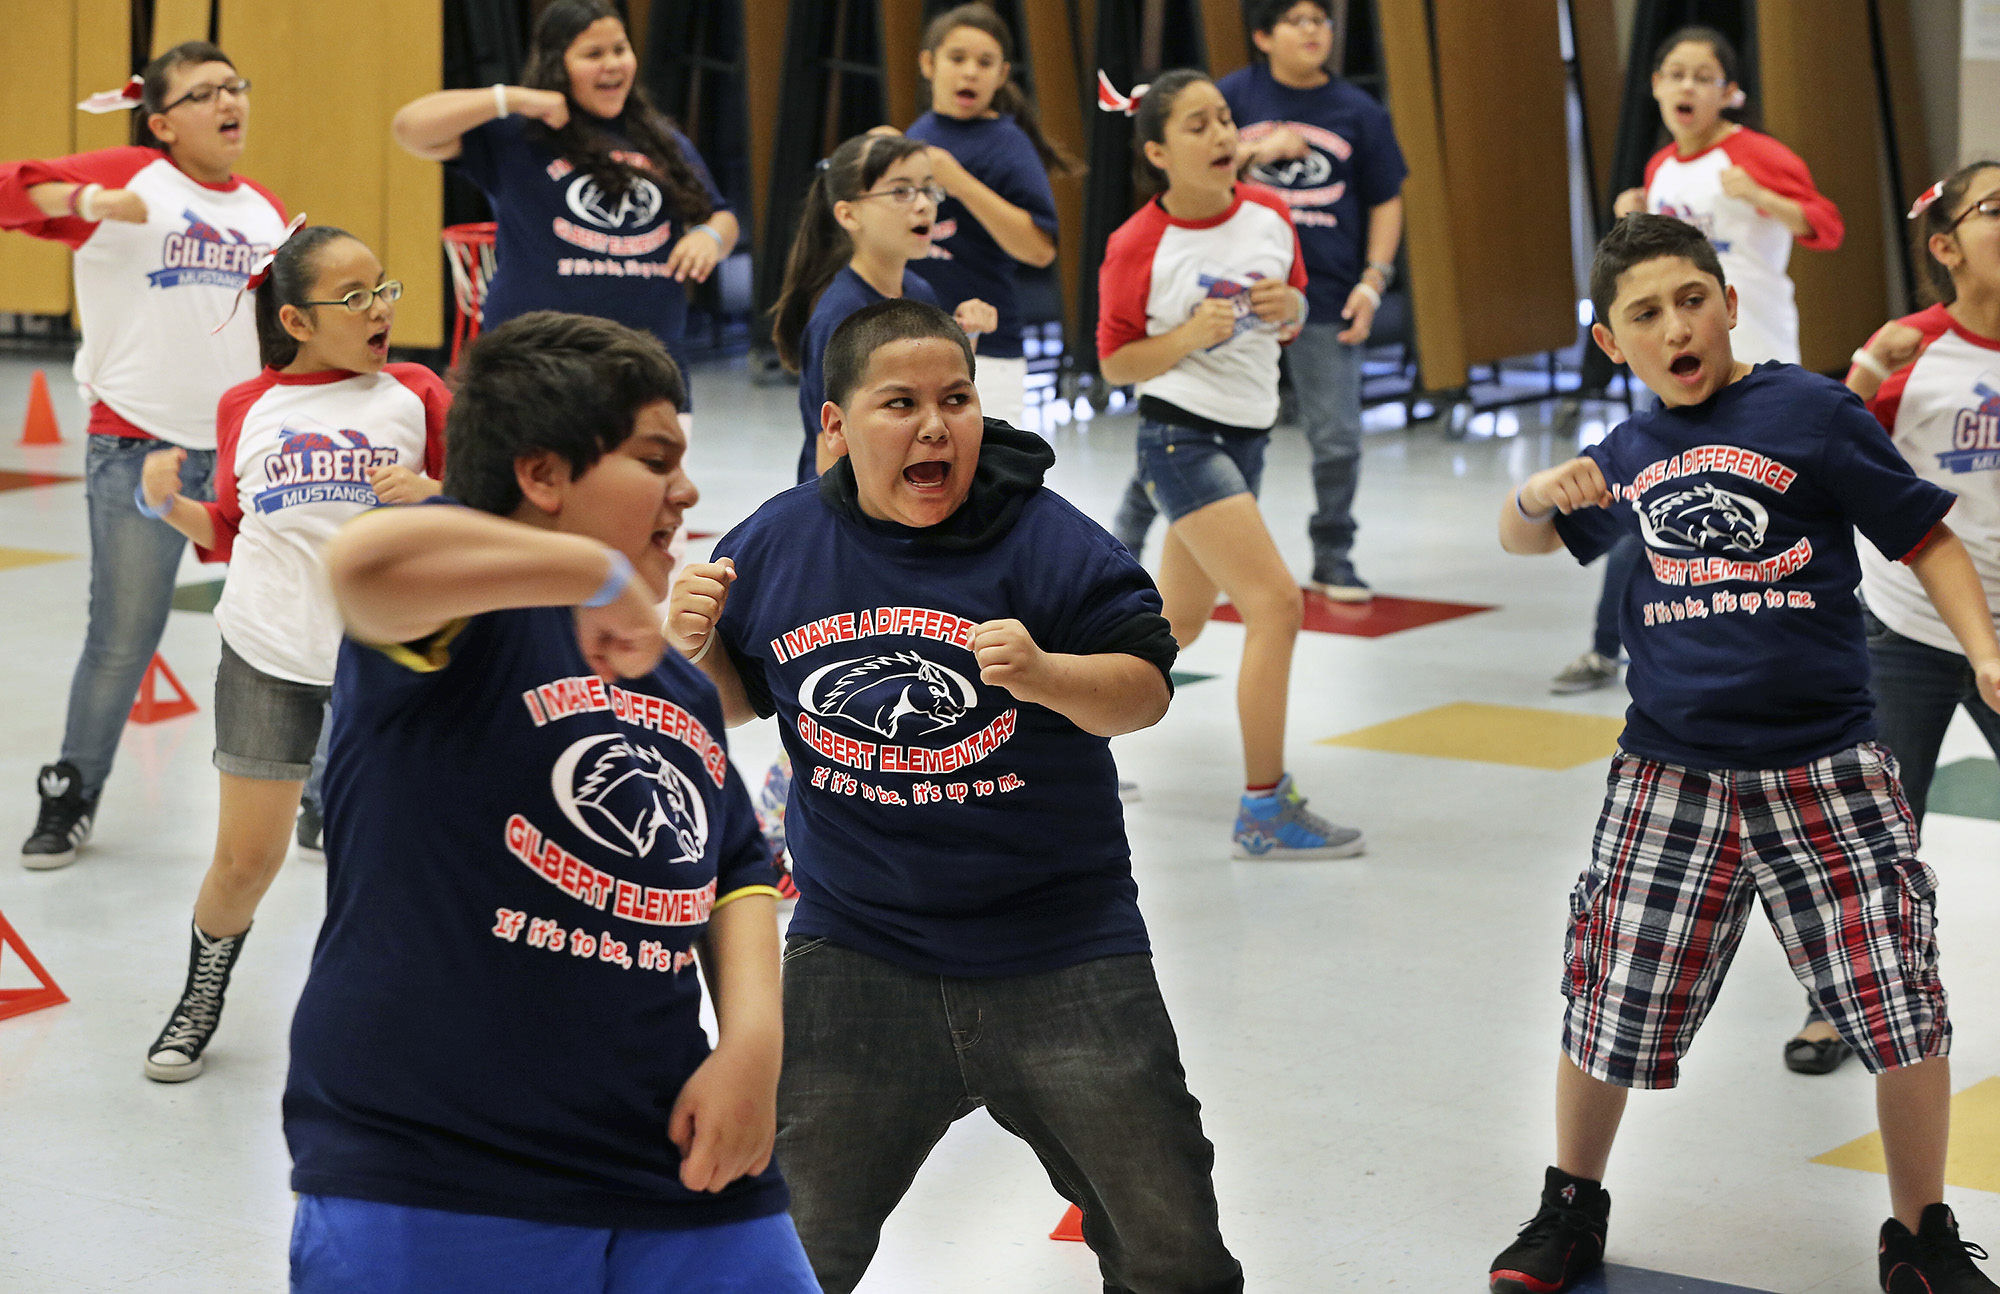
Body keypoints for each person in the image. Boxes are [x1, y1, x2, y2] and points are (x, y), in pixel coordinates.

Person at [666, 298, 1242, 1294]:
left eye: (956, 398)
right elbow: (740, 699)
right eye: (900, 402)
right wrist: (694, 648)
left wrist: (1050, 674)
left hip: (1060, 946)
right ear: (836, 429)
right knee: (787, 1249)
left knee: (1172, 1254)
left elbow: (1143, 692)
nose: (935, 425)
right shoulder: (777, 542)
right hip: (858, 950)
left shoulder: (1047, 540)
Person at [1488, 213, 2000, 1294]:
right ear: (1609, 341)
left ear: (1725, 301)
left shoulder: (1810, 412)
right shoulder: (1623, 452)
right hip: (1667, 771)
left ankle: (1919, 1230)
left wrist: (1984, 653)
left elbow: (1924, 535)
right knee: (1610, 991)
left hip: (1825, 765)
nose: (1675, 326)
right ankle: (1569, 1199)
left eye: (1690, 299)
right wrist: (1532, 494)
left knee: (1897, 999)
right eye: (1644, 313)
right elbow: (1523, 535)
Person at [286, 311, 815, 1292]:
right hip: (440, 1173)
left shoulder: (675, 684)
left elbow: (734, 863)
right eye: (655, 458)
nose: (686, 490)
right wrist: (591, 571)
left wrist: (751, 1044)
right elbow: (363, 566)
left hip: (669, 1160)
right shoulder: (457, 630)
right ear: (541, 475)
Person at [134, 226, 447, 1082]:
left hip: (389, 661)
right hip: (267, 650)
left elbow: (488, 512)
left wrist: (436, 494)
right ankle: (200, 996)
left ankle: (397, 1022)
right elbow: (231, 529)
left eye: (383, 288)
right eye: (353, 299)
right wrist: (167, 505)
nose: (378, 309)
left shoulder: (417, 392)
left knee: (397, 855)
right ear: (297, 323)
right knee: (244, 860)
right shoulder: (248, 406)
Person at [2, 41, 289, 869]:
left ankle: (313, 799)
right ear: (162, 122)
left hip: (246, 455)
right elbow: (7, 192)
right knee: (123, 637)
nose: (228, 101)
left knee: (289, 629)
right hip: (138, 448)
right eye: (203, 93)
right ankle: (70, 795)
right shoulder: (137, 172)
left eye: (235, 86)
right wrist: (88, 197)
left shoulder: (266, 207)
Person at [1097, 69, 1361, 859]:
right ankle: (1264, 808)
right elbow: (1114, 363)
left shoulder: (1273, 213)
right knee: (1275, 605)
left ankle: (1054, 735)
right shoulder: (1137, 243)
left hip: (1249, 437)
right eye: (1198, 126)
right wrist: (1186, 337)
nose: (1220, 137)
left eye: (1224, 120)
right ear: (1157, 151)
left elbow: (1296, 307)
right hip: (1180, 439)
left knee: (1173, 626)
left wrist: (1294, 312)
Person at [1555, 24, 1844, 697]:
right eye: (1674, 74)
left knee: (1784, 504)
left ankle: (1817, 630)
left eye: (1702, 76)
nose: (1686, 87)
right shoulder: (1660, 167)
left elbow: (1827, 225)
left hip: (1760, 355)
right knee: (1655, 498)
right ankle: (1607, 647)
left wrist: (1765, 198)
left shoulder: (1757, 154)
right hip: (1680, 366)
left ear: (1728, 91)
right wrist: (1632, 214)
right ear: (1655, 86)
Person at [1112, 0, 1406, 603]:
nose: (1313, 31)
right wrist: (1258, 150)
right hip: (1220, 294)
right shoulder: (1230, 99)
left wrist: (1373, 279)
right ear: (1263, 35)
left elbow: (1385, 198)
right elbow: (1195, 178)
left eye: (1321, 20)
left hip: (1319, 292)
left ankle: (1333, 555)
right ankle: (1121, 550)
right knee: (1179, 420)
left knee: (1336, 437)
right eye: (1297, 20)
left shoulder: (1358, 111)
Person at [389, 0, 739, 404]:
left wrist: (710, 236)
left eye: (620, 49)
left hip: (648, 369)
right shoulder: (519, 135)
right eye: (593, 54)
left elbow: (721, 214)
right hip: (534, 368)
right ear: (557, 64)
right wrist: (513, 99)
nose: (612, 64)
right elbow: (409, 128)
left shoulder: (660, 139)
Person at [770, 131, 995, 483]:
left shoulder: (918, 290)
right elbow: (830, 456)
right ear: (848, 214)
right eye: (901, 192)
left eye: (928, 189)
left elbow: (933, 383)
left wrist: (968, 335)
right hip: (850, 511)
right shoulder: (840, 314)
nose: (923, 205)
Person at [903, 3, 1067, 429]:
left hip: (988, 350)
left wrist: (959, 182)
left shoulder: (1006, 144)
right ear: (928, 63)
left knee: (983, 483)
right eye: (957, 59)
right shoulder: (916, 134)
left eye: (985, 62)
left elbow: (1039, 250)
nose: (970, 72)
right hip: (914, 343)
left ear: (1002, 74)